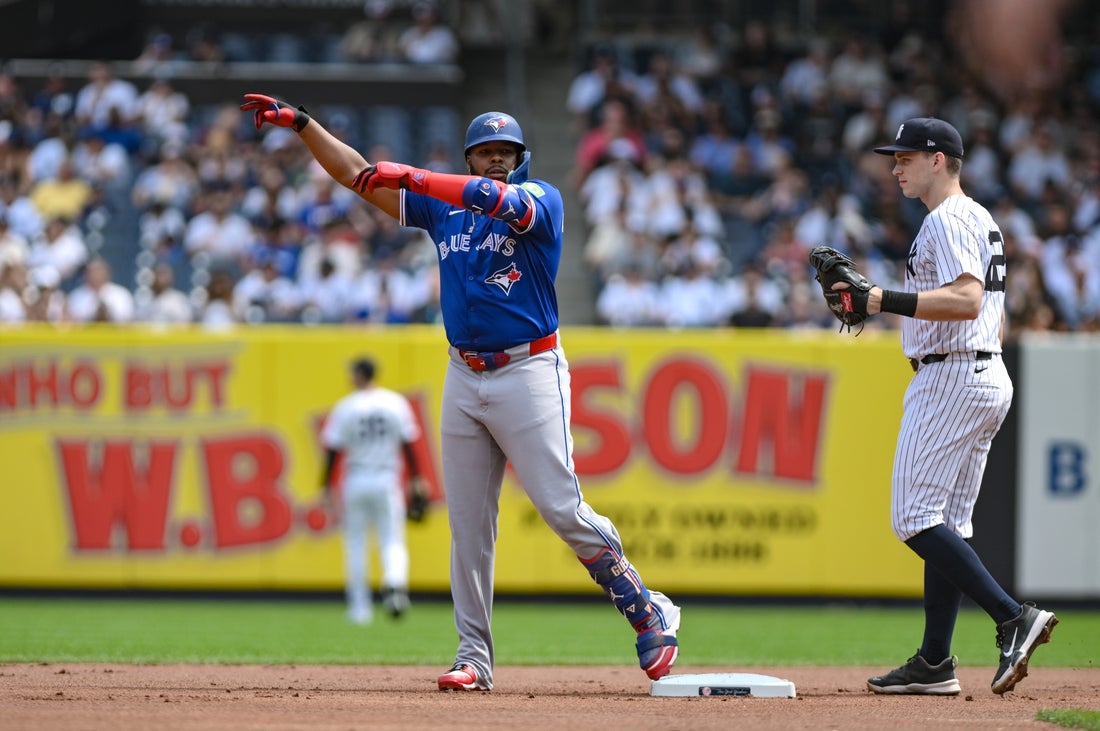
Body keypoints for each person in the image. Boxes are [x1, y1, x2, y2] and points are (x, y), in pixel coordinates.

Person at [240, 94, 681, 690]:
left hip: (528, 369)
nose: (497, 160)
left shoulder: (542, 199)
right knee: (469, 527)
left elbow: (494, 200)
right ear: (470, 158)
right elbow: (355, 174)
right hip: (464, 373)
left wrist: (417, 176)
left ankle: (645, 606)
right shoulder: (443, 209)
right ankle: (473, 656)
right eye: (485, 152)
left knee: (561, 507)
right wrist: (302, 124)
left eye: (506, 152)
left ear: (520, 159)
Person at [854, 117, 1057, 695]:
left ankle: (1013, 617)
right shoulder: (977, 217)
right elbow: (980, 304)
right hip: (982, 370)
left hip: (953, 374)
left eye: (906, 157)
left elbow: (967, 299)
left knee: (912, 517)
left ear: (938, 159)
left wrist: (879, 299)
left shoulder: (947, 218)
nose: (896, 167)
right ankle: (935, 661)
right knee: (948, 524)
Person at [320, 357, 425, 625]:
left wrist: (325, 486)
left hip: (356, 477)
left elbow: (333, 450)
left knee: (356, 543)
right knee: (392, 539)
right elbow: (408, 444)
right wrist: (416, 478)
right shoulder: (394, 402)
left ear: (359, 374)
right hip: (386, 478)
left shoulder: (346, 406)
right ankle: (394, 584)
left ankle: (360, 608)